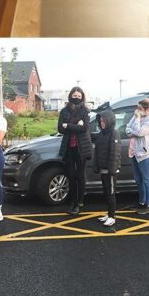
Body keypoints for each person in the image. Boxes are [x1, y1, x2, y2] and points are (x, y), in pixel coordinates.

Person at [57, 86, 90, 215]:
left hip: (81, 148)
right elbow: (60, 128)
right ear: (70, 96)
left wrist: (69, 125)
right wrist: (77, 124)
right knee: (70, 175)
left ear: (82, 97)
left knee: (80, 176)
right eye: (74, 96)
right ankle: (73, 201)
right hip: (69, 147)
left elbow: (84, 128)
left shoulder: (85, 111)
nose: (76, 98)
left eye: (78, 96)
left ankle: (79, 202)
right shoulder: (64, 110)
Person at [127, 97, 149, 215]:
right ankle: (141, 202)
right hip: (134, 152)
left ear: (147, 109)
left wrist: (137, 119)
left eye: (139, 108)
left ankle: (148, 205)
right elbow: (127, 129)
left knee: (146, 180)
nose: (137, 110)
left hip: (145, 154)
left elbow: (139, 132)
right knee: (138, 179)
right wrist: (136, 123)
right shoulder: (137, 116)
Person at [92, 108, 120, 227]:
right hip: (104, 169)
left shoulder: (114, 133)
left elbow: (115, 153)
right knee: (106, 192)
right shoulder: (101, 134)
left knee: (111, 193)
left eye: (103, 121)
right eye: (100, 121)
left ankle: (112, 216)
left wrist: (112, 170)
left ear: (109, 121)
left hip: (111, 170)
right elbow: (97, 151)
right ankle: (108, 214)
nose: (101, 123)